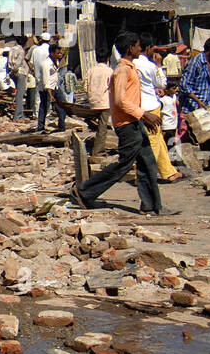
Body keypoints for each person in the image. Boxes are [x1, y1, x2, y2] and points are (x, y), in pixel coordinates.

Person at [73, 32, 173, 216]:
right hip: (127, 124)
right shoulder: (122, 70)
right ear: (130, 49)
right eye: (137, 46)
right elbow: (120, 101)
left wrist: (141, 117)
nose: (140, 49)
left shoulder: (129, 68)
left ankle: (151, 205)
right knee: (124, 165)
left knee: (148, 162)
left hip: (134, 121)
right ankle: (85, 190)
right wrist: (144, 115)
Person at [135, 48, 181, 183]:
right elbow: (162, 83)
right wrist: (159, 66)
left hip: (140, 105)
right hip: (149, 106)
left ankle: (168, 171)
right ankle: (145, 175)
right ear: (148, 49)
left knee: (159, 139)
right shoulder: (148, 65)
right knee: (153, 141)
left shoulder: (131, 64)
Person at [86, 57, 115, 154]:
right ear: (107, 59)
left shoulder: (90, 71)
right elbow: (112, 87)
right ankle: (98, 151)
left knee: (98, 126)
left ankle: (95, 145)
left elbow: (85, 87)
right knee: (103, 128)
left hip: (93, 102)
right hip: (104, 103)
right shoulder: (109, 71)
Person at [38, 44, 67, 132]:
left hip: (55, 87)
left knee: (63, 105)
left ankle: (61, 126)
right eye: (58, 53)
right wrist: (50, 95)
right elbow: (46, 80)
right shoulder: (46, 64)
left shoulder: (56, 61)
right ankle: (40, 126)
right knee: (44, 107)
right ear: (52, 53)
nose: (59, 55)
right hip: (47, 89)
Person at [31, 32, 54, 130]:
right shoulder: (49, 49)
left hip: (38, 75)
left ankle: (36, 113)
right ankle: (47, 112)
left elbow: (31, 62)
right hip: (48, 75)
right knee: (48, 95)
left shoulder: (36, 50)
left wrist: (34, 71)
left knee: (38, 95)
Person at [8, 37, 29, 118]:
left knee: (18, 94)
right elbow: (18, 63)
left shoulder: (11, 49)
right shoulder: (21, 50)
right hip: (19, 72)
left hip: (12, 73)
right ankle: (18, 114)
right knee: (20, 94)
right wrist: (14, 69)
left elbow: (9, 62)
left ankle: (20, 112)